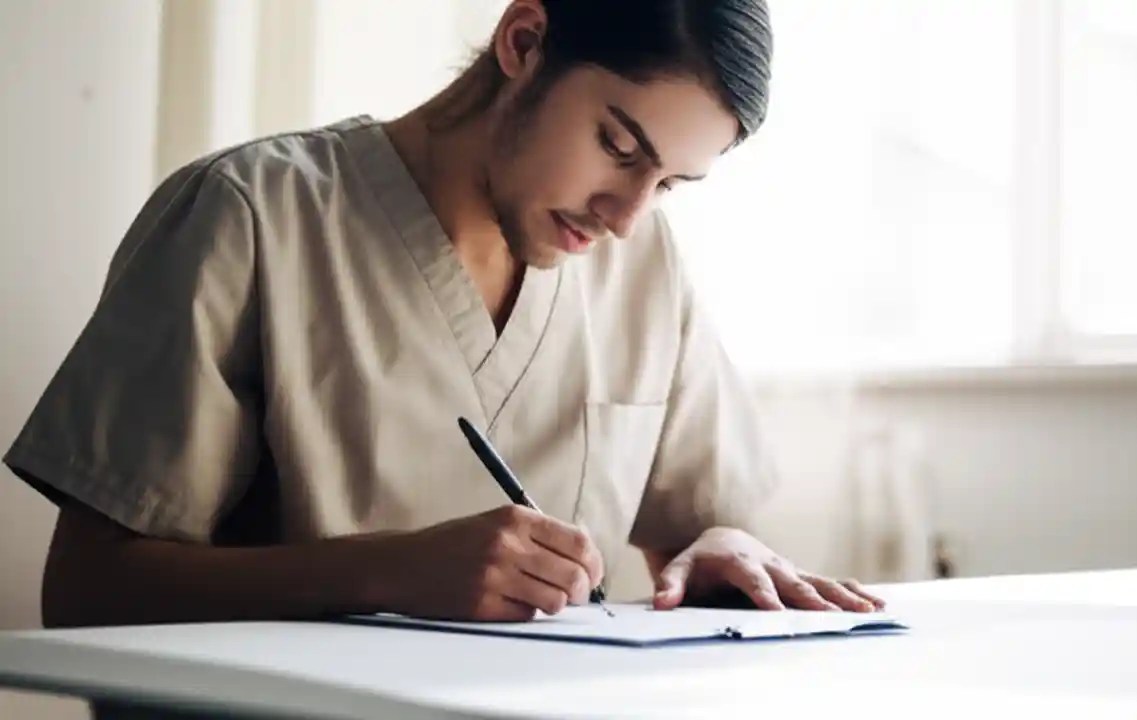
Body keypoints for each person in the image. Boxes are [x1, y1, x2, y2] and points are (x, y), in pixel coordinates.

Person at [5, 0, 884, 628]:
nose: (626, 214)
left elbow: (694, 533)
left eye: (670, 185)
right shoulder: (249, 216)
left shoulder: (642, 267)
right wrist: (386, 571)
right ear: (525, 40)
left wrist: (724, 549)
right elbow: (87, 596)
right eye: (618, 147)